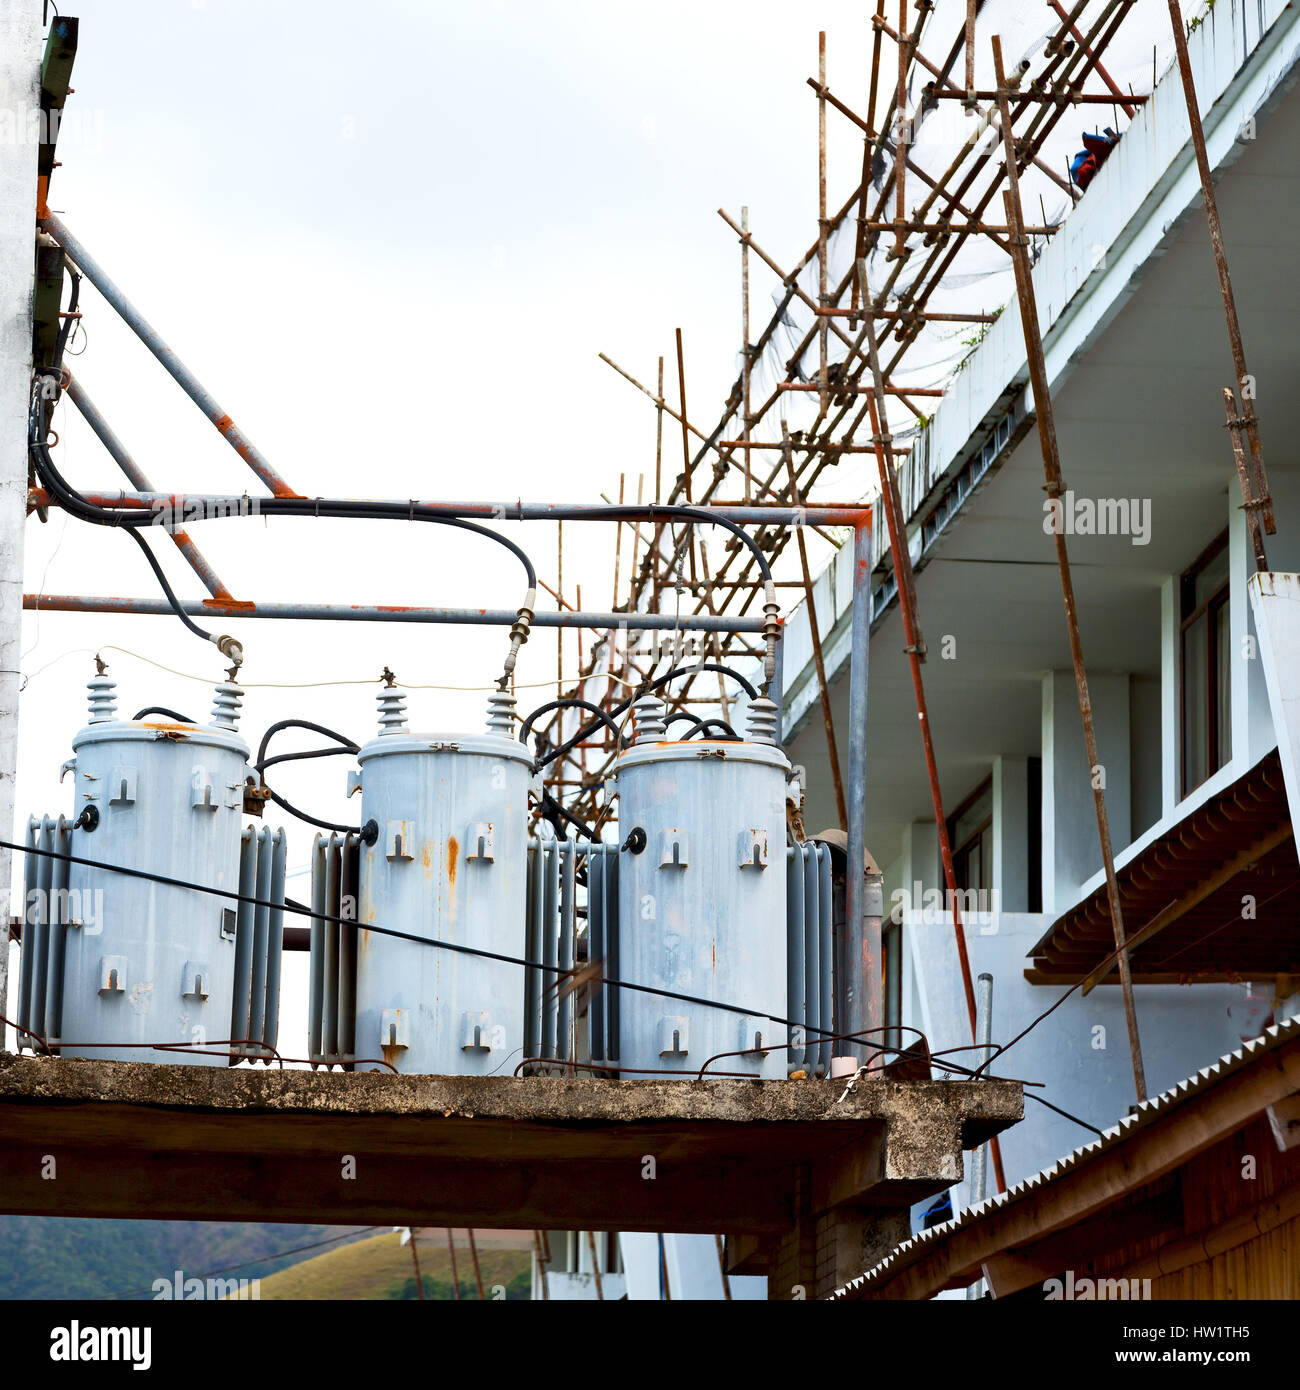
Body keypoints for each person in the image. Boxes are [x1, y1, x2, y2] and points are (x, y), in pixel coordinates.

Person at [1069, 127, 1120, 191]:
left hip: (1082, 174)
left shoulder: (1084, 163)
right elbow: (1087, 139)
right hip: (1082, 172)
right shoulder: (1083, 163)